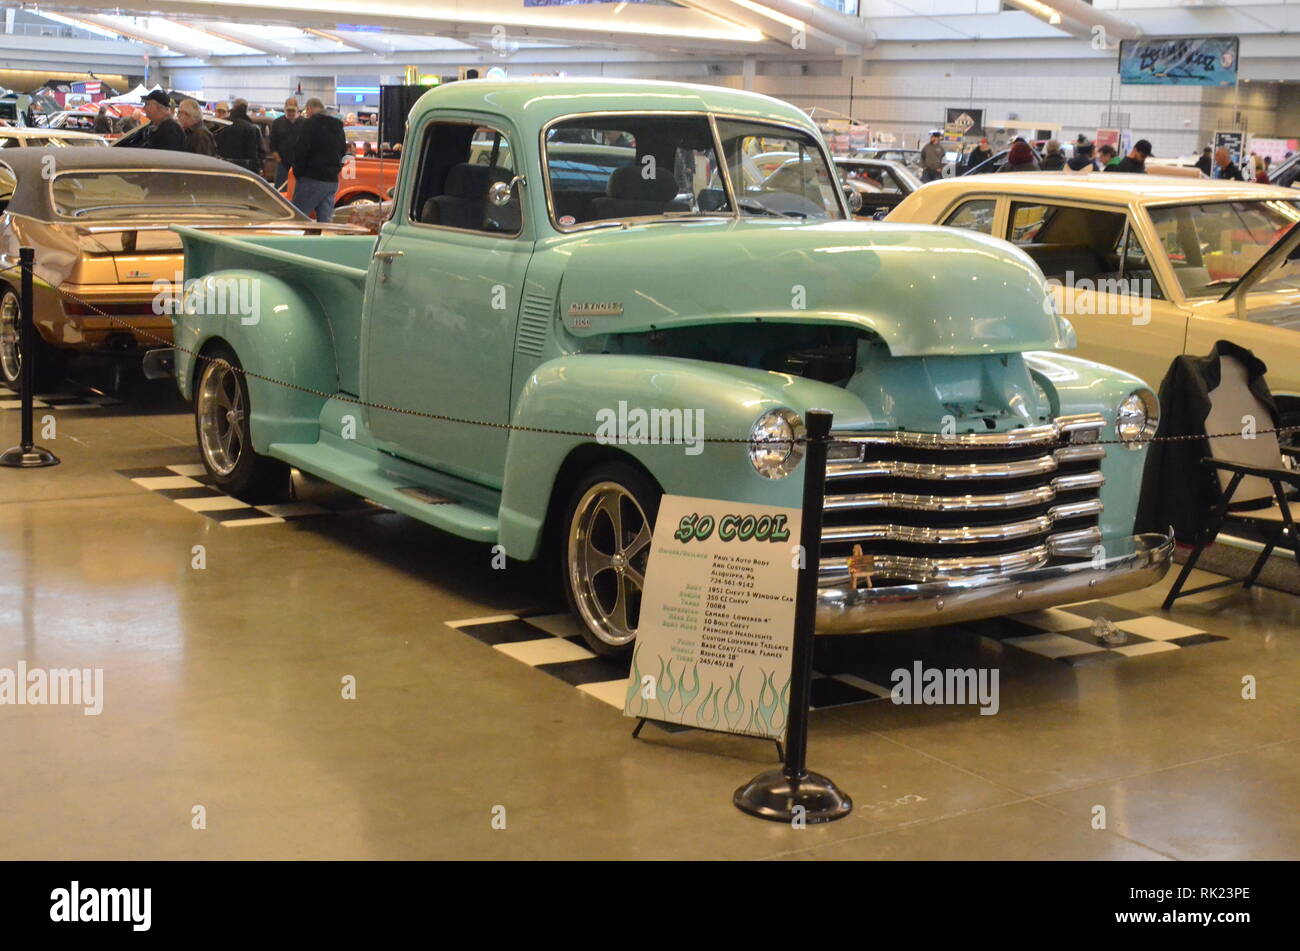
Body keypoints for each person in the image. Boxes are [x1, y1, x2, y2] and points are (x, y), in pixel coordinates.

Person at [292, 97, 347, 223]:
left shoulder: (309, 124)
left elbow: (301, 150)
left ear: (309, 109)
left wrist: (298, 173)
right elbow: (343, 151)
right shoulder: (338, 127)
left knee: (297, 221)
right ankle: (324, 242)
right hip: (331, 181)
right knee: (325, 223)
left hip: (311, 178)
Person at [215, 99, 265, 173]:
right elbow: (253, 153)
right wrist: (257, 169)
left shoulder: (221, 125)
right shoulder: (250, 128)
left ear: (233, 108)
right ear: (246, 109)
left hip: (221, 167)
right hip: (243, 170)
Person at [269, 97, 302, 188]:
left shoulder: (304, 123)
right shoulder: (277, 123)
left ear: (297, 109)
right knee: (280, 191)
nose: (290, 113)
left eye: (293, 110)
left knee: (298, 190)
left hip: (300, 164)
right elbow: (272, 144)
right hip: (282, 164)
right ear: (284, 109)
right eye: (288, 110)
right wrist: (279, 160)